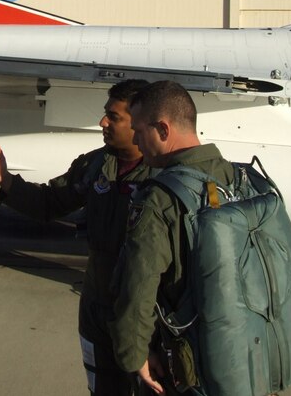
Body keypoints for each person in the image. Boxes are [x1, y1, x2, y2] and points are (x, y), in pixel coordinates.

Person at [0, 79, 151, 395]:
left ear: (141, 121)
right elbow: (51, 204)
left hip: (147, 316)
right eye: (106, 114)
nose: (103, 122)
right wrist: (6, 181)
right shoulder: (95, 165)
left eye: (114, 117)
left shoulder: (167, 172)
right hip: (97, 309)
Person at [109, 80, 234, 395]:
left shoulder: (159, 199)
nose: (136, 139)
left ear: (163, 130)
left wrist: (134, 357)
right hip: (247, 349)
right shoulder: (238, 178)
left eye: (139, 130)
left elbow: (137, 289)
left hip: (193, 359)